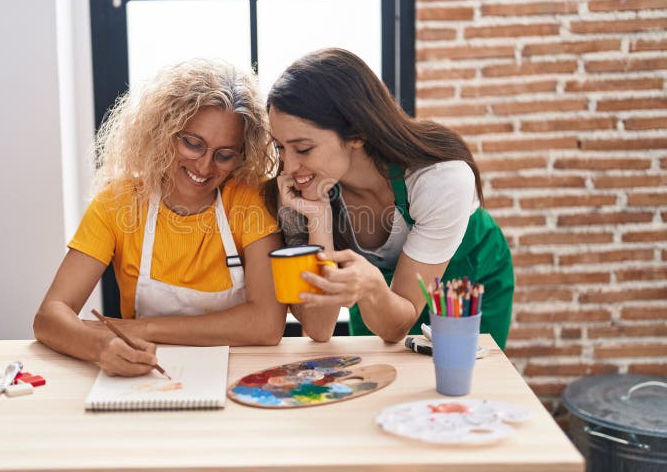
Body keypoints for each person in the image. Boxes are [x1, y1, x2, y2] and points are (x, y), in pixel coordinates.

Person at [34, 59, 286, 377]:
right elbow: (49, 316)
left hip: (240, 375)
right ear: (164, 130)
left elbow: (266, 325)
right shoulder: (118, 205)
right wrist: (100, 348)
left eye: (224, 154)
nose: (205, 168)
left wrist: (143, 328)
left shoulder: (249, 201)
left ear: (242, 153)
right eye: (193, 144)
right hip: (144, 375)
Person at [265, 48, 514, 349]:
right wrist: (319, 219)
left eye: (303, 149)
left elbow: (402, 319)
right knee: (378, 375)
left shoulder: (439, 179)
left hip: (465, 274)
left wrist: (373, 287)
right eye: (279, 147)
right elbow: (319, 329)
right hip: (377, 285)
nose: (289, 166)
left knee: (459, 379)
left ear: (356, 133)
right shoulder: (301, 190)